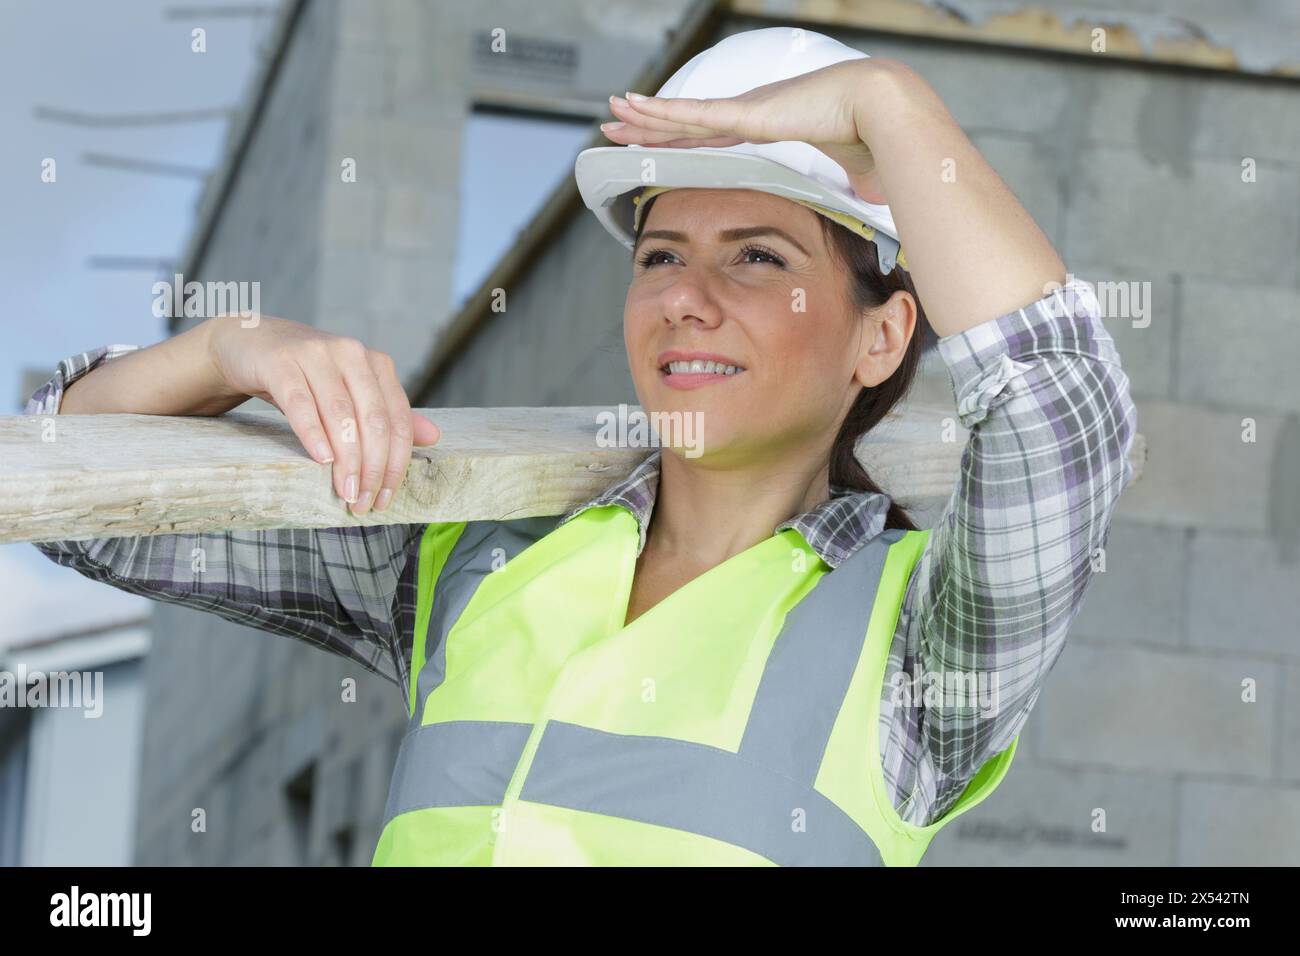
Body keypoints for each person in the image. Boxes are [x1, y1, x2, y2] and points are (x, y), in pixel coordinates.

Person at [26, 27, 1137, 866]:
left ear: (881, 333)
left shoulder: (918, 654)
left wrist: (884, 101)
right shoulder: (475, 562)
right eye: (659, 256)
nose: (687, 300)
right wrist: (233, 347)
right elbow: (84, 506)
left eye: (755, 256)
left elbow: (1060, 414)